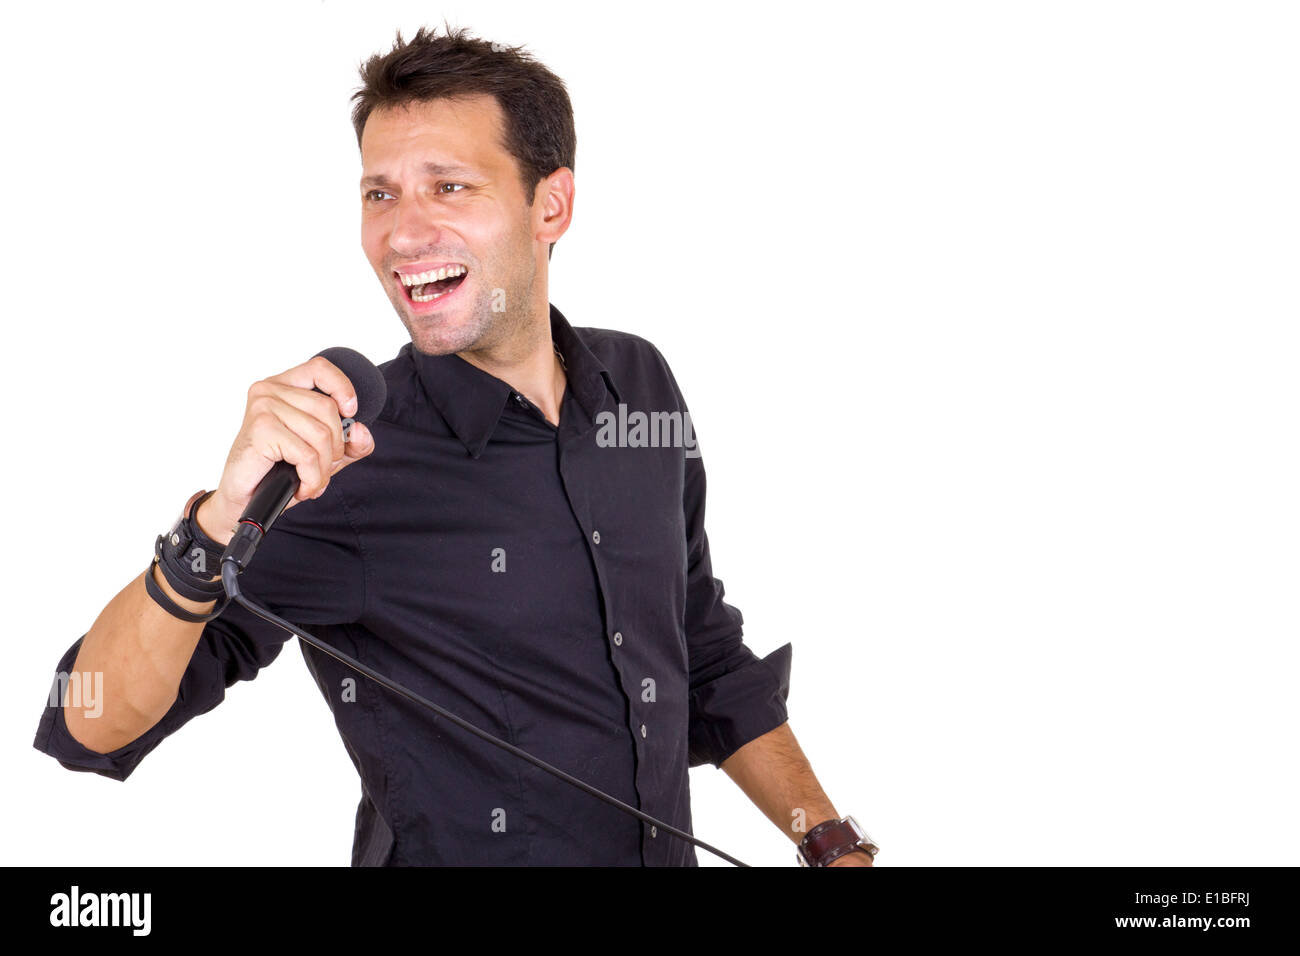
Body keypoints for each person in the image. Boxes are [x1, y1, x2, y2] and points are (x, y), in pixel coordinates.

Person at [33, 24, 876, 867]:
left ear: (551, 206)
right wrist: (213, 528)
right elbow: (88, 720)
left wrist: (831, 843)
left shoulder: (639, 388)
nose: (403, 234)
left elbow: (703, 651)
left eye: (448, 186)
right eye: (380, 194)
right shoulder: (346, 465)